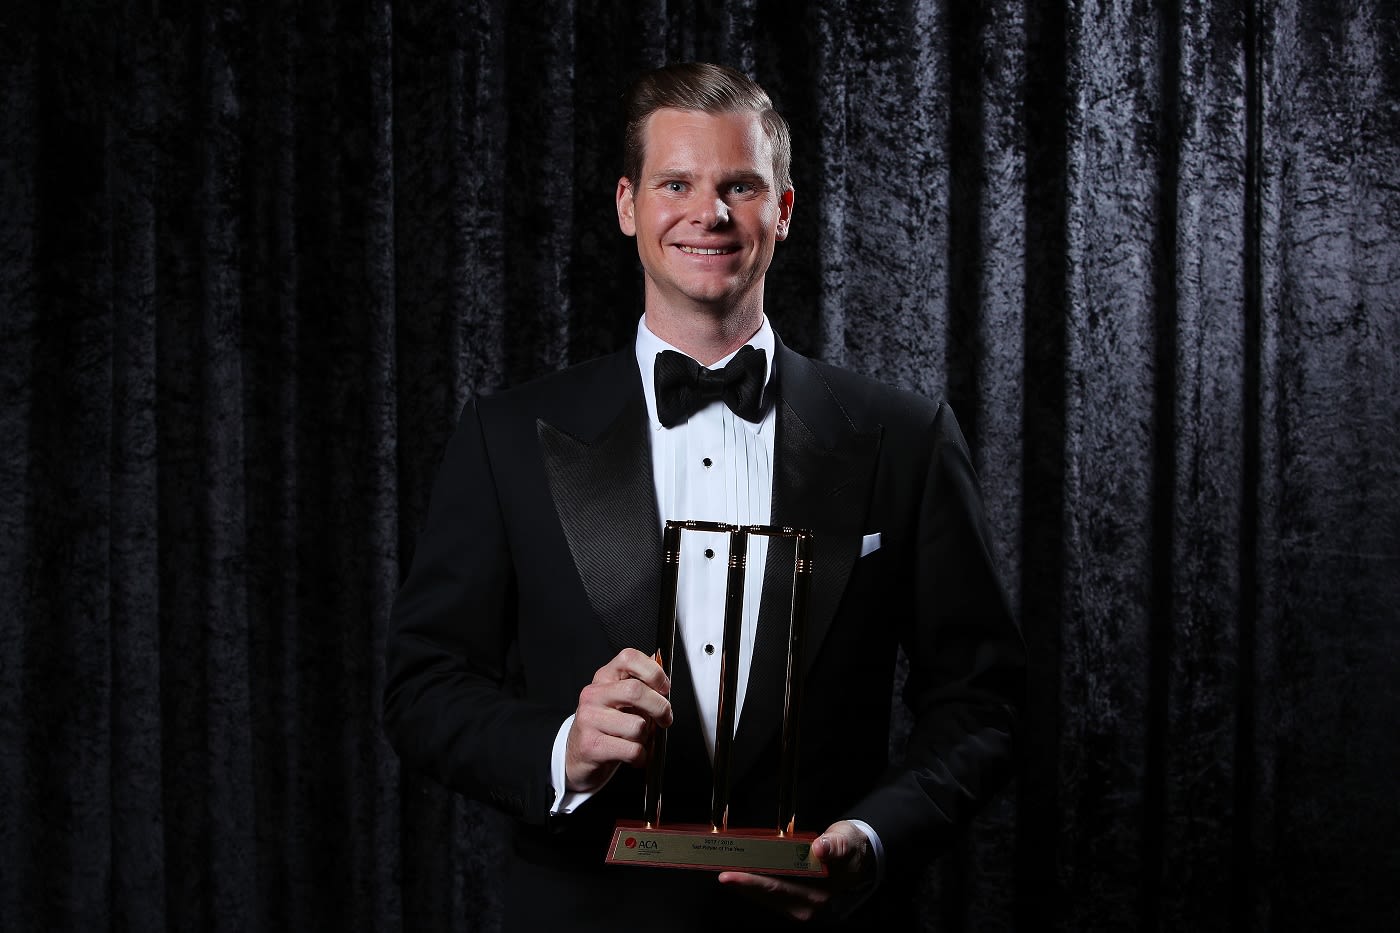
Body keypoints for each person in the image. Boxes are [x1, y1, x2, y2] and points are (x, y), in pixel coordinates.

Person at [382, 62, 1025, 931]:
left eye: (741, 186)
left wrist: (873, 839)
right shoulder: (507, 435)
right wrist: (563, 749)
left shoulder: (905, 437)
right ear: (626, 205)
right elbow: (423, 686)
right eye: (675, 182)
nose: (708, 213)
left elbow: (984, 699)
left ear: (784, 210)